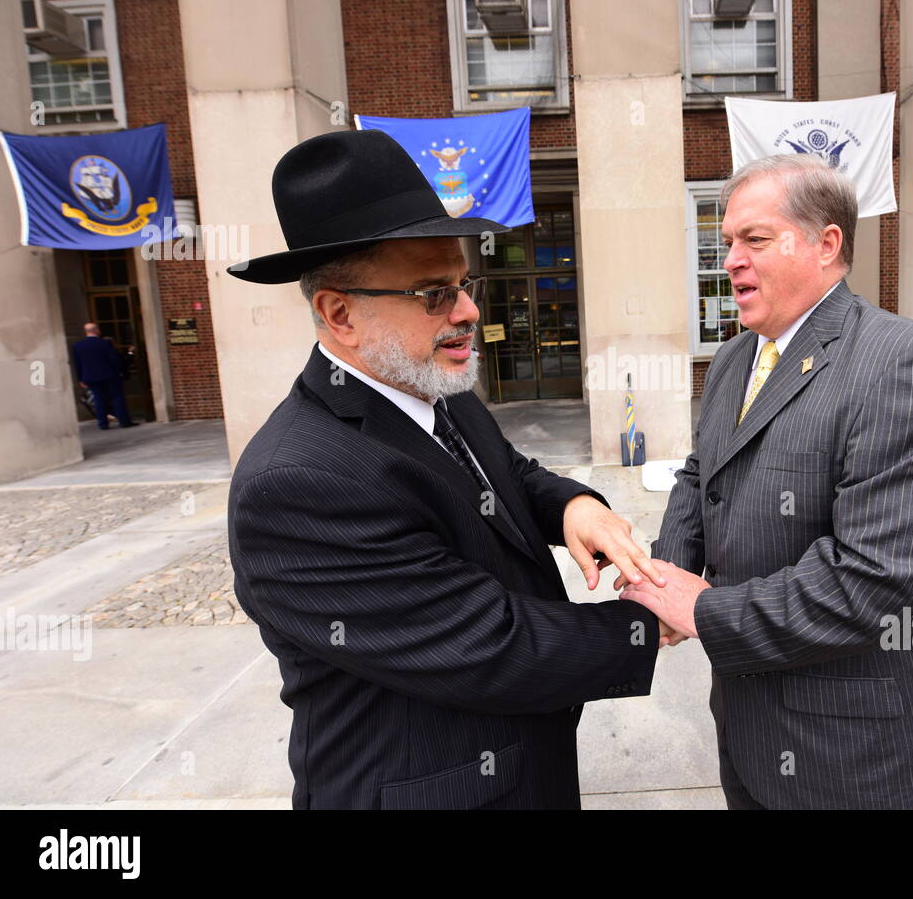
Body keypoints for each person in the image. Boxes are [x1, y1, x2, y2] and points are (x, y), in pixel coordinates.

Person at [226, 130, 673, 809]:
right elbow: (491, 646)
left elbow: (508, 476)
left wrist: (575, 506)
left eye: (465, 283)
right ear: (339, 314)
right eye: (435, 293)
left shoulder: (430, 386)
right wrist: (658, 617)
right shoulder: (297, 485)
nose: (469, 311)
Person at [619, 154, 913, 809]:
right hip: (746, 722)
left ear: (826, 243)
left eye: (754, 239)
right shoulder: (734, 356)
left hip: (854, 756)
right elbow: (703, 476)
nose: (729, 258)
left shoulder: (910, 363)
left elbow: (872, 583)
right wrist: (663, 576)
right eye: (725, 241)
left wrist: (699, 608)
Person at [71, 322, 137, 429]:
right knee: (117, 398)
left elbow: (77, 364)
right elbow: (114, 359)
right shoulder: (104, 343)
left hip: (90, 377)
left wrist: (81, 378)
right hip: (109, 375)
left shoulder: (77, 346)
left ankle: (103, 423)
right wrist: (119, 371)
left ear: (86, 332)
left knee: (99, 399)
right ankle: (124, 421)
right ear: (96, 330)